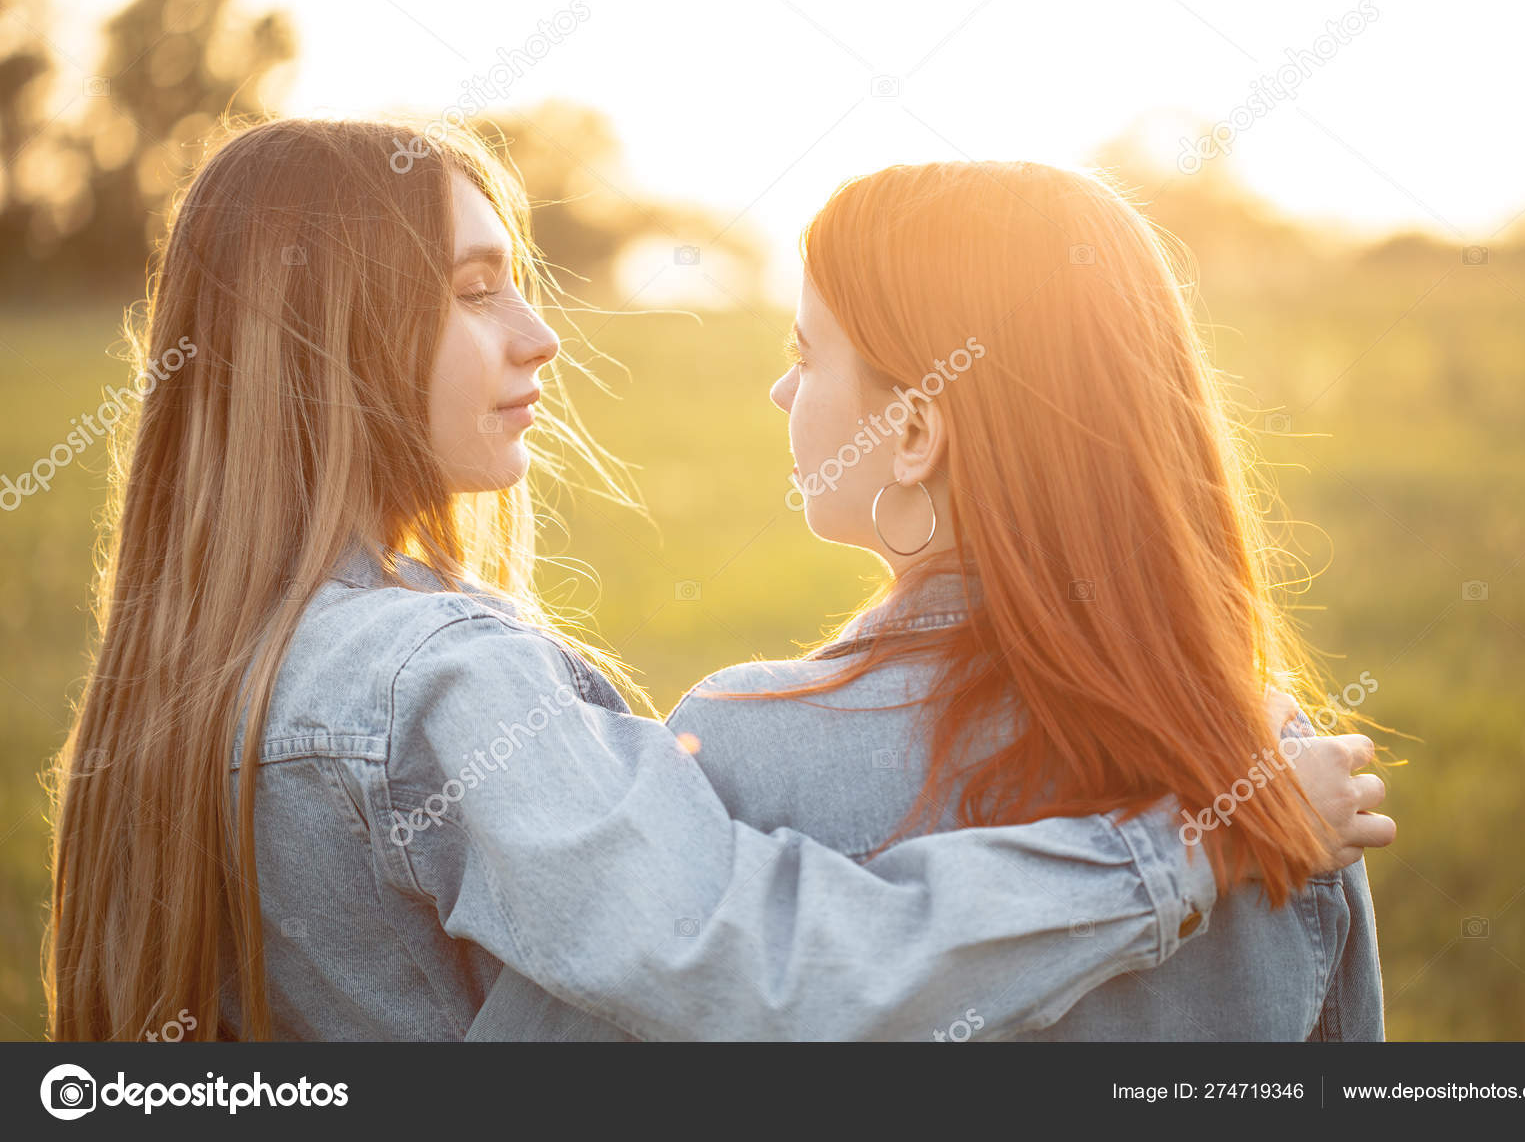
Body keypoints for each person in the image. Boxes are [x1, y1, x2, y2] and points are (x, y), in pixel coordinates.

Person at [47, 121, 1392, 1042]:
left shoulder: (199, 677)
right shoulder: (1268, 763)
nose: (539, 335)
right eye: (470, 291)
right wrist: (1182, 848)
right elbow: (758, 971)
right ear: (326, 339)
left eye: (805, 350)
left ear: (919, 423)